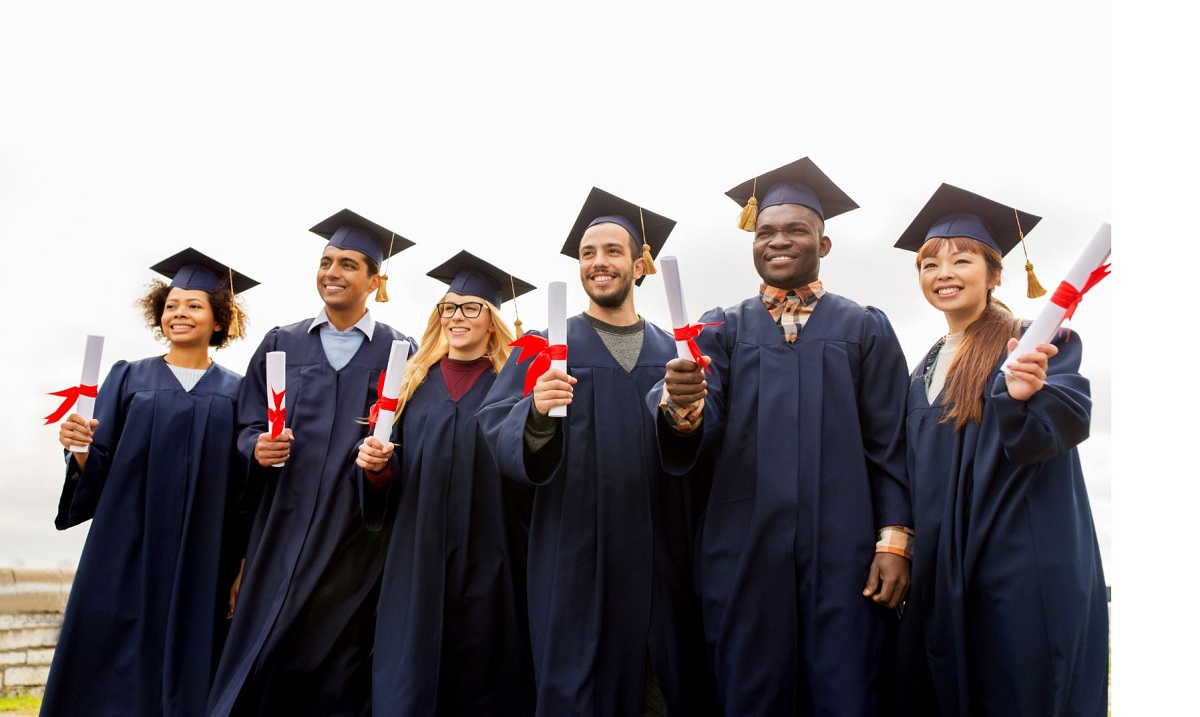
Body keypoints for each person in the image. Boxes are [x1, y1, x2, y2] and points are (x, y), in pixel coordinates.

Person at [654, 157, 913, 715]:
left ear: (824, 243)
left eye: (796, 229)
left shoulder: (864, 327)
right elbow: (701, 420)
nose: (778, 241)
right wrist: (681, 404)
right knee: (750, 692)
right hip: (745, 549)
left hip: (844, 552)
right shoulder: (721, 328)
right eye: (766, 231)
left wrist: (894, 540)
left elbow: (889, 442)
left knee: (845, 690)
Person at [476, 187, 713, 716]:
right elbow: (494, 428)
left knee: (662, 693)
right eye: (588, 254)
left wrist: (686, 414)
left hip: (661, 560)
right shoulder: (545, 345)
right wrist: (535, 412)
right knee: (578, 693)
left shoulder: (673, 351)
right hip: (575, 556)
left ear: (638, 263)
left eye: (612, 251)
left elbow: (702, 441)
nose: (599, 263)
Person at [890, 183, 1108, 716]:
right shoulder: (924, 367)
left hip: (1017, 571)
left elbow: (1060, 425)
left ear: (994, 274)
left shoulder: (1032, 341)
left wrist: (1028, 395)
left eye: (962, 259)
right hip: (947, 573)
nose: (944, 274)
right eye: (929, 264)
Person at [207, 209, 417, 717]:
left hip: (354, 539)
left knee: (338, 667)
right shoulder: (282, 342)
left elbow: (411, 443)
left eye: (348, 263)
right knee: (263, 656)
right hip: (280, 527)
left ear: (375, 280)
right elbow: (246, 425)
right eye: (325, 261)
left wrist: (384, 463)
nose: (332, 272)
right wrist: (255, 447)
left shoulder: (402, 351)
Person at [44, 248, 257, 717]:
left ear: (220, 321)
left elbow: (247, 487)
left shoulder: (239, 392)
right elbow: (95, 462)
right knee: (113, 660)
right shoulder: (128, 377)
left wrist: (241, 564)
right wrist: (78, 445)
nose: (179, 313)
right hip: (128, 545)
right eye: (172, 305)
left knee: (195, 664)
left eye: (194, 305)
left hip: (205, 551)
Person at [354, 250, 537, 716]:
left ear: (492, 321)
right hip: (418, 556)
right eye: (448, 308)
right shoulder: (409, 388)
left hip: (493, 559)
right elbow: (388, 482)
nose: (457, 317)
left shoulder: (511, 388)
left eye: (471, 307)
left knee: (485, 678)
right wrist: (377, 469)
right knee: (411, 681)